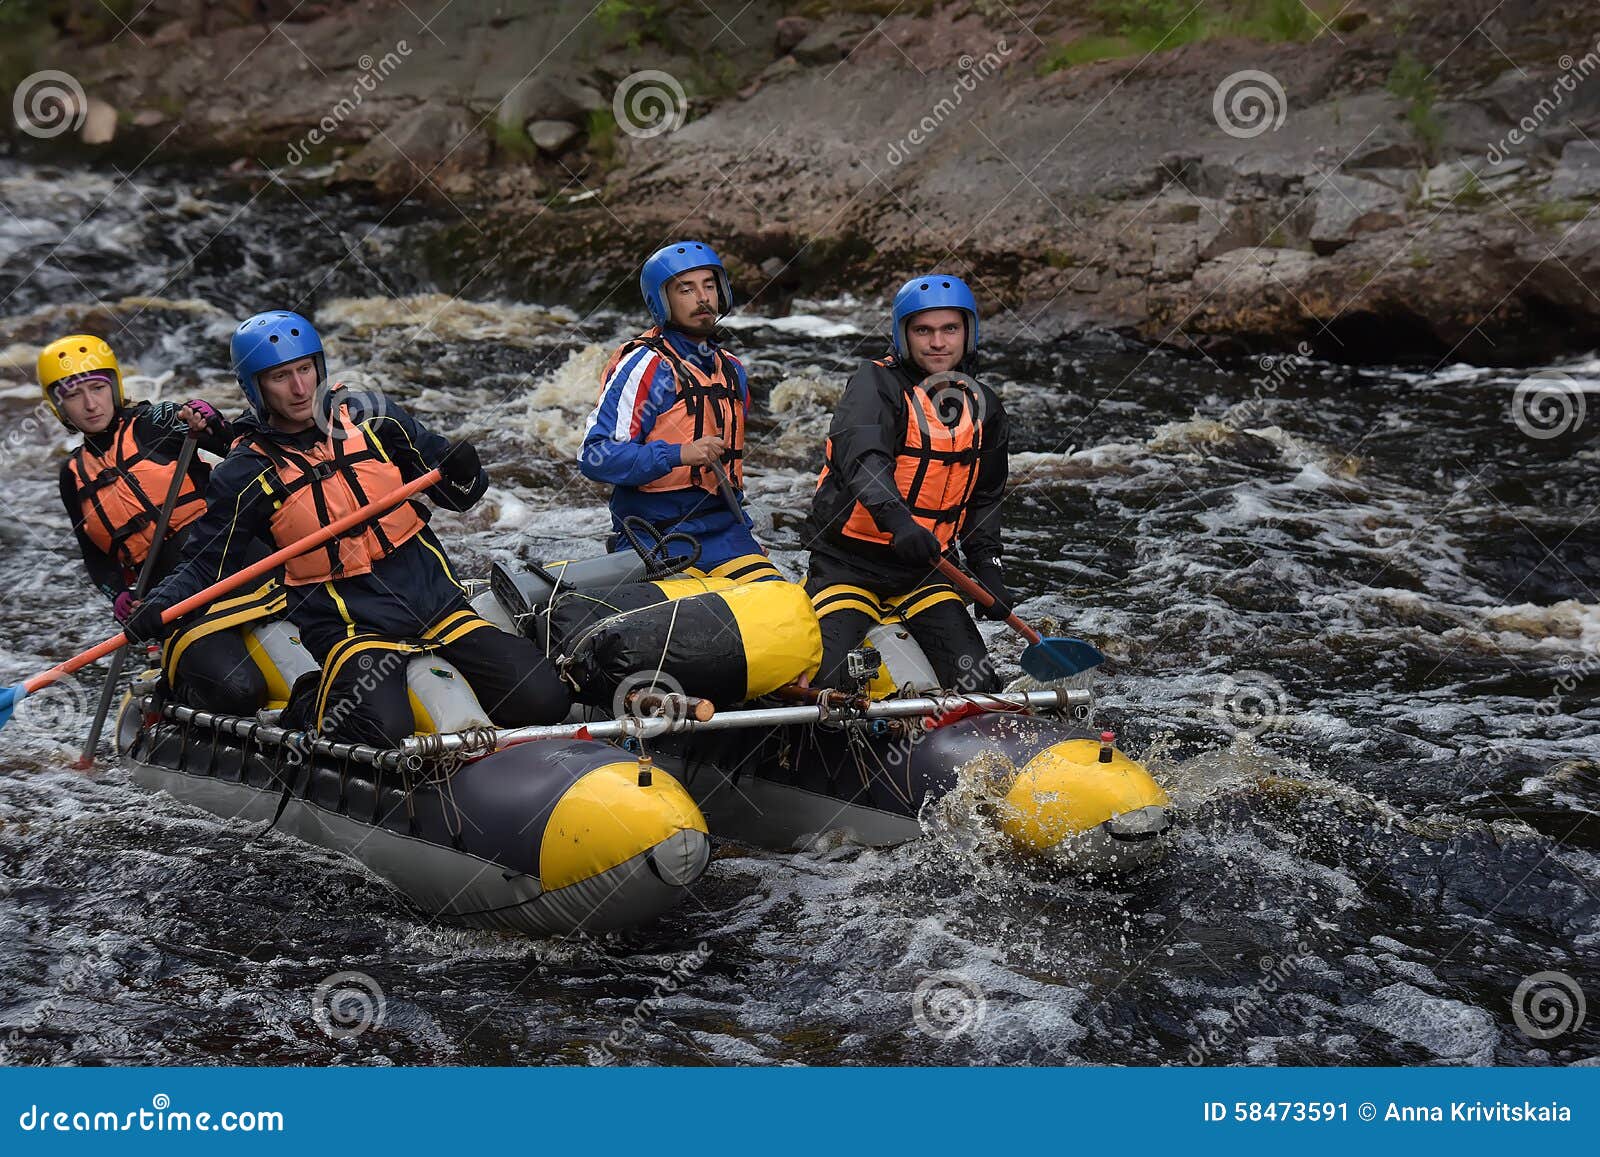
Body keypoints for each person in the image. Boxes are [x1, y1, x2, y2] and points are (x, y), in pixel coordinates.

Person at [123, 311, 570, 746]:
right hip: (348, 622)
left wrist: (466, 472)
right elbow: (206, 565)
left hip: (432, 600)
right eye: (281, 377)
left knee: (544, 699)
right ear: (254, 388)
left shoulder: (373, 418)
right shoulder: (245, 472)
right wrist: (158, 608)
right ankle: (309, 701)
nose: (300, 388)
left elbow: (460, 497)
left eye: (306, 369)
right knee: (383, 729)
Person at [40, 333, 270, 714]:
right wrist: (117, 594)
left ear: (114, 386)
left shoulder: (154, 422)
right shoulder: (72, 476)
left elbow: (235, 449)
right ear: (57, 406)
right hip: (171, 595)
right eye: (73, 395)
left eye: (98, 388)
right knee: (238, 693)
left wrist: (207, 421)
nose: (90, 403)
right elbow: (96, 559)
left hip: (237, 556)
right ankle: (174, 692)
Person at [804, 275, 1013, 693]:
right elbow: (864, 459)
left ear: (968, 334)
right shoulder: (873, 386)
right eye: (923, 330)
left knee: (979, 683)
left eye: (949, 329)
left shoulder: (984, 406)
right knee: (830, 682)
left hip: (925, 569)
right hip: (846, 567)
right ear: (903, 335)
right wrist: (898, 522)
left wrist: (988, 565)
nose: (937, 342)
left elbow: (985, 494)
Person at [579, 240, 781, 583]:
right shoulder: (645, 365)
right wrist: (679, 454)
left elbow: (728, 477)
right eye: (686, 289)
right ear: (662, 301)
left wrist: (746, 534)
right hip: (654, 533)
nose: (702, 298)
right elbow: (595, 456)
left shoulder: (731, 369)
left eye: (709, 286)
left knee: (783, 612)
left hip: (725, 532)